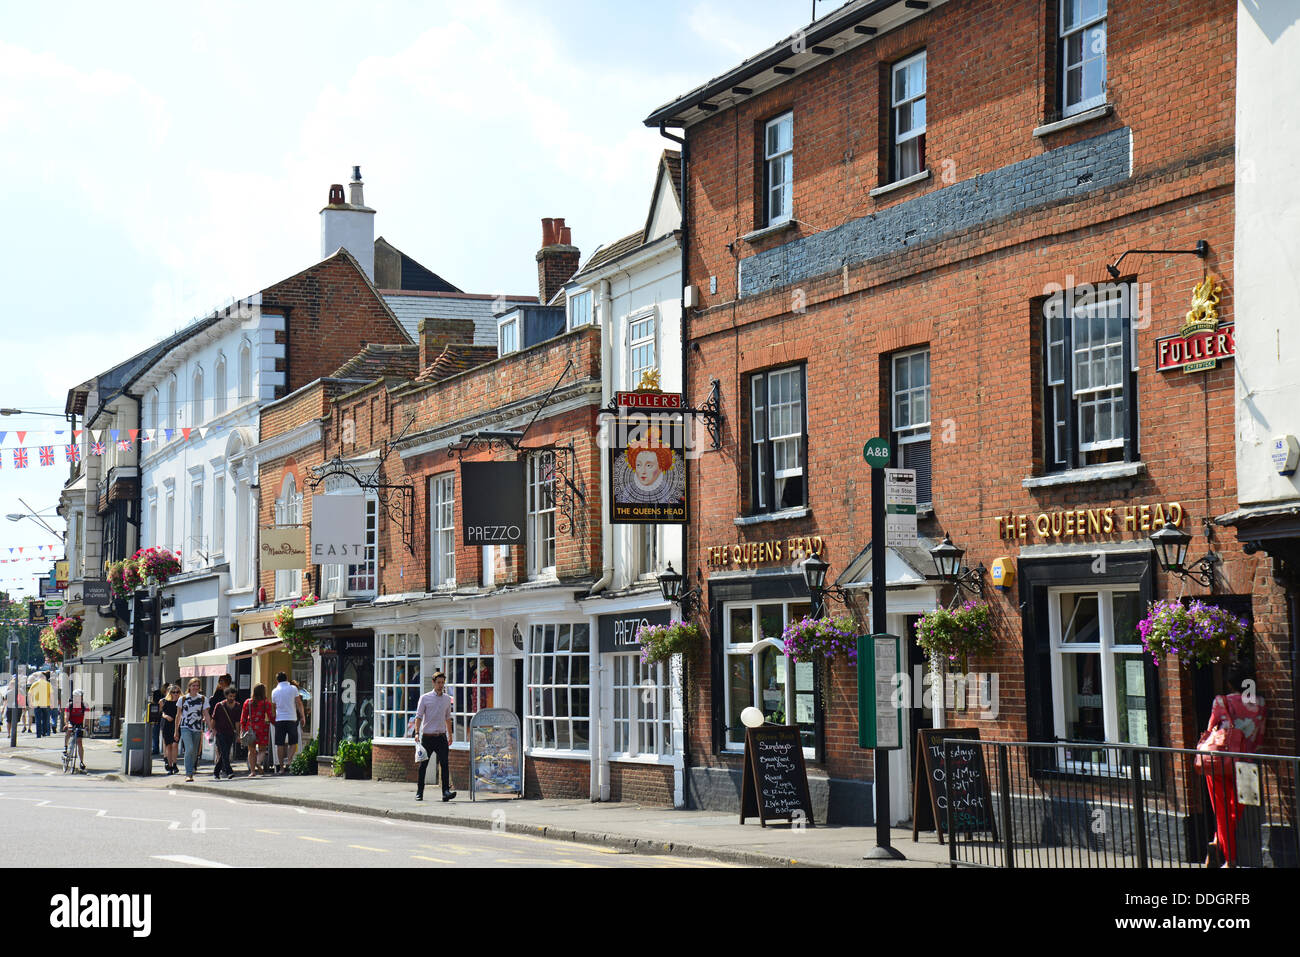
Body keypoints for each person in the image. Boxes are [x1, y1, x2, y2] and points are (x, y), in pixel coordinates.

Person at [1201, 666, 1266, 868]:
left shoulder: (1222, 701)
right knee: (1234, 812)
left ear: (1230, 684)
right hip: (1247, 762)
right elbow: (1261, 734)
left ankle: (1229, 859)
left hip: (1220, 762)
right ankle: (1217, 842)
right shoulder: (1261, 703)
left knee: (1222, 811)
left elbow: (1211, 727)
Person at [411, 672, 456, 802]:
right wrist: (417, 733)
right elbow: (418, 717)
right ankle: (419, 792)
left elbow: (448, 718)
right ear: (433, 683)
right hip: (428, 737)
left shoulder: (447, 699)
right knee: (423, 765)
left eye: (442, 683)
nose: (440, 685)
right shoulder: (425, 698)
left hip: (441, 736)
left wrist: (450, 735)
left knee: (445, 764)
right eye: (438, 683)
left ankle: (445, 792)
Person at [177, 678, 210, 782]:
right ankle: (188, 773)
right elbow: (178, 715)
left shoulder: (203, 699)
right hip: (185, 727)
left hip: (197, 728)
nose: (195, 688)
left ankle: (191, 768)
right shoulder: (182, 699)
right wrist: (175, 730)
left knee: (195, 752)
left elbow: (206, 714)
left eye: (197, 686)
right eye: (193, 685)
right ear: (189, 687)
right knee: (189, 748)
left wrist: (210, 727)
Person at [271, 672, 304, 774]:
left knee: (279, 744)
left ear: (277, 680)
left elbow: (274, 706)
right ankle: (289, 762)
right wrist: (302, 716)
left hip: (280, 719)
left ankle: (281, 767)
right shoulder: (293, 689)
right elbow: (299, 703)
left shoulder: (274, 691)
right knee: (293, 742)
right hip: (291, 718)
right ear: (286, 678)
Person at [240, 683, 275, 776]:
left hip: (250, 728)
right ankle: (258, 762)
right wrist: (275, 723)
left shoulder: (248, 702)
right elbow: (271, 716)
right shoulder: (266, 703)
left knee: (251, 751)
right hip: (262, 728)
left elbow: (243, 718)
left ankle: (252, 771)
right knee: (262, 749)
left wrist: (242, 729)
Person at [211, 687, 241, 779]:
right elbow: (214, 719)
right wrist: (213, 730)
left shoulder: (237, 706)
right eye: (230, 696)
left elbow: (237, 722)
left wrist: (238, 734)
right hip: (220, 732)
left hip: (230, 732)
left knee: (225, 752)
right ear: (226, 696)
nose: (232, 698)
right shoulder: (219, 706)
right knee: (224, 750)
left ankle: (216, 772)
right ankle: (229, 771)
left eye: (234, 696)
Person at [63, 689, 87, 771]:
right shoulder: (70, 705)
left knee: (79, 742)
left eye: (81, 697)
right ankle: (65, 748)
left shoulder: (84, 705)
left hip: (79, 724)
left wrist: (86, 726)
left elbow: (87, 717)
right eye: (78, 697)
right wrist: (67, 724)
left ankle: (81, 762)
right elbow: (66, 716)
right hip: (71, 722)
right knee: (69, 731)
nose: (80, 699)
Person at [160, 685, 181, 774]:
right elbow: (162, 712)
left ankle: (175, 763)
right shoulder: (165, 701)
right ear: (170, 693)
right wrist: (166, 716)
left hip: (176, 725)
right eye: (173, 692)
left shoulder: (180, 702)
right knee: (168, 745)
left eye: (177, 692)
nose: (175, 694)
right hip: (167, 724)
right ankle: (170, 765)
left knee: (175, 744)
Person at [28, 671, 52, 738]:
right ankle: (44, 732)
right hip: (46, 704)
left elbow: (30, 694)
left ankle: (38, 734)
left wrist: (30, 703)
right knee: (45, 719)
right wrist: (52, 703)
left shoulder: (35, 684)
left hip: (37, 704)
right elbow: (51, 694)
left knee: (38, 720)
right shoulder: (48, 684)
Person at [150, 681, 167, 756]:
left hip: (159, 715)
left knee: (156, 732)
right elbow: (154, 702)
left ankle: (156, 748)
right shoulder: (158, 694)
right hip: (158, 716)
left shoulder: (171, 695)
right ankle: (156, 748)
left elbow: (154, 702)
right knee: (156, 732)